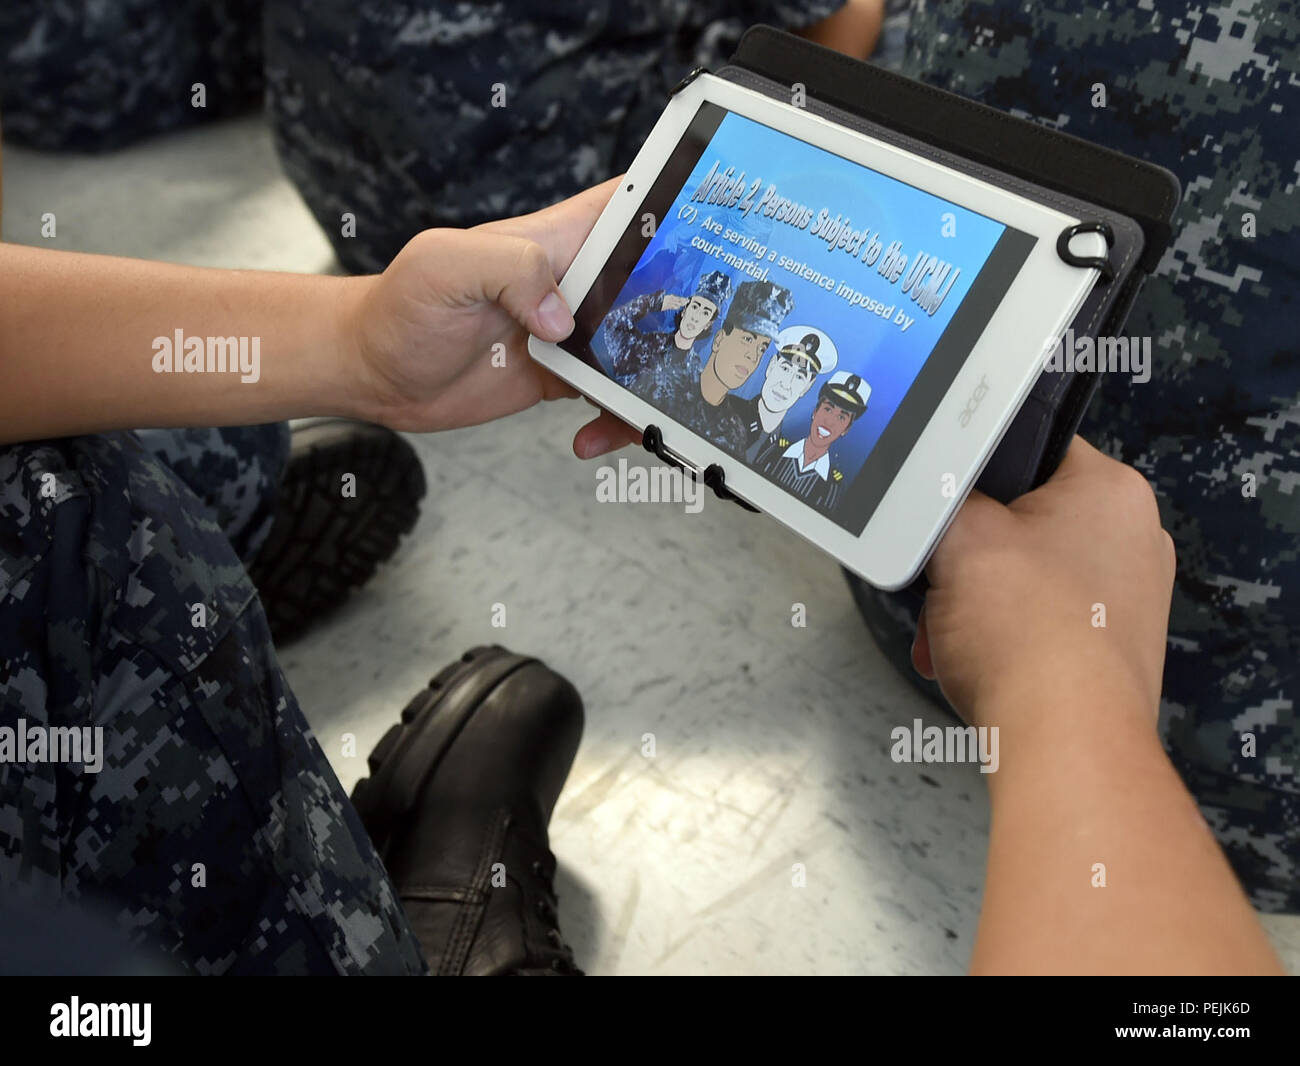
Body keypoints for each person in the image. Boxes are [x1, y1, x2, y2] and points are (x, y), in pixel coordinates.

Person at [629, 278, 794, 453]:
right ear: (719, 340)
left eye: (762, 348)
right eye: (747, 339)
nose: (753, 357)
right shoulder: (663, 381)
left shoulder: (735, 434)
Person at [756, 370, 866, 512]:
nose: (829, 421)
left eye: (841, 418)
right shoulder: (775, 449)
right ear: (815, 412)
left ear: (846, 429)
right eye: (827, 409)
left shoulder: (833, 485)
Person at [725, 327, 837, 463]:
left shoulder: (787, 454)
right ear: (771, 366)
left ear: (807, 387)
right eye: (785, 368)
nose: (786, 384)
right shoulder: (727, 408)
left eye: (799, 377)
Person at [604, 269, 732, 383]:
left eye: (705, 313)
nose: (695, 317)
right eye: (694, 307)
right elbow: (613, 323)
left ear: (708, 324)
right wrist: (654, 302)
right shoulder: (649, 344)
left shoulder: (694, 374)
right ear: (684, 311)